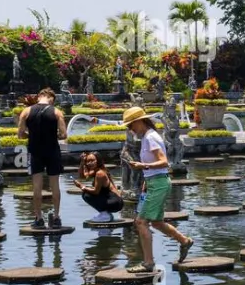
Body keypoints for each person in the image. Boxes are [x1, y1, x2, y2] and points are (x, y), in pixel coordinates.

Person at [122, 106, 192, 272]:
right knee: (157, 222)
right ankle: (184, 241)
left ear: (140, 121)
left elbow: (164, 162)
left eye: (131, 124)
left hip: (159, 183)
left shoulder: (151, 137)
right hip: (154, 182)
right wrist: (146, 179)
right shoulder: (147, 136)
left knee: (141, 222)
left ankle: (148, 262)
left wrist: (142, 165)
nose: (129, 128)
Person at [16, 87, 67, 229]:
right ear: (51, 98)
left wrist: (31, 135)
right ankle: (56, 218)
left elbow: (20, 134)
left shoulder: (26, 112)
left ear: (39, 96)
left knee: (37, 186)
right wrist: (53, 135)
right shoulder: (57, 112)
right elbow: (64, 135)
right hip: (52, 151)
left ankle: (39, 218)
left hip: (35, 151)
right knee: (55, 185)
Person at [74, 152, 124, 223]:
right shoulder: (96, 170)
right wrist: (82, 162)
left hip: (115, 202)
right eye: (88, 161)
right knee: (87, 192)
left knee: (86, 195)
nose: (90, 163)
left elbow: (96, 191)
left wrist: (82, 186)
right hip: (114, 201)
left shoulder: (99, 173)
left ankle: (105, 215)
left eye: (92, 160)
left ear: (98, 161)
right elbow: (82, 176)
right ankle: (106, 214)